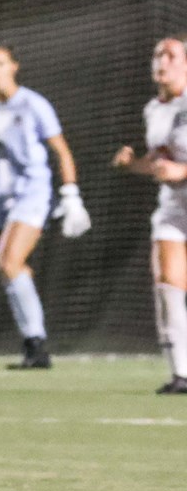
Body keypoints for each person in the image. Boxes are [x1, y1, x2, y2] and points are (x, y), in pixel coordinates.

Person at [0, 45, 90, 369]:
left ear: (14, 67)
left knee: (9, 261)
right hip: (0, 198)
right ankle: (34, 346)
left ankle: (36, 344)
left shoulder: (34, 104)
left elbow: (62, 152)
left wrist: (71, 195)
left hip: (33, 192)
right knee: (11, 268)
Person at [112, 36, 187, 394]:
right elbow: (161, 166)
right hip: (174, 208)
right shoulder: (152, 110)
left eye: (171, 54)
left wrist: (183, 171)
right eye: (157, 53)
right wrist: (134, 165)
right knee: (167, 285)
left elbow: (178, 168)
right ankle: (182, 375)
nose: (162, 60)